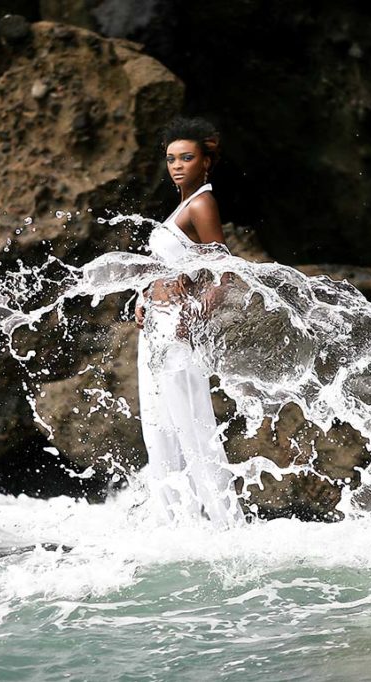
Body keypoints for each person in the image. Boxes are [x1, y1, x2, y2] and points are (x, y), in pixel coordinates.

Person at [134, 117, 244, 528]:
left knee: (192, 426)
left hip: (178, 328)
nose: (177, 165)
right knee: (159, 425)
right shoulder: (181, 207)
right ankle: (175, 528)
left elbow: (225, 274)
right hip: (156, 327)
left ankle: (224, 526)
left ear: (206, 161)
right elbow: (169, 268)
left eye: (187, 157)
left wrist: (195, 316)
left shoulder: (201, 204)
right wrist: (144, 298)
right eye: (171, 159)